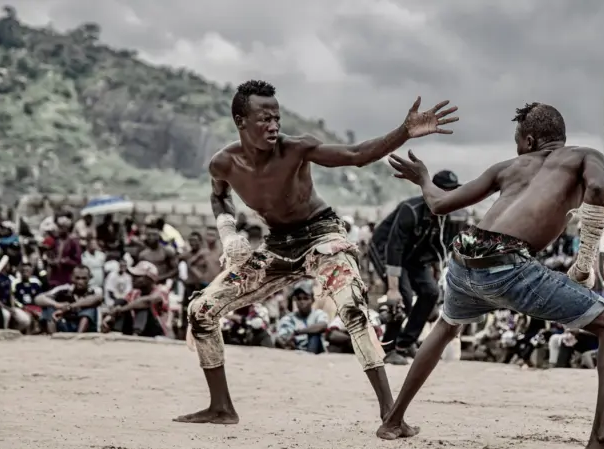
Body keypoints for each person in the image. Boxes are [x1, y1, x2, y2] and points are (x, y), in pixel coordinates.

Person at [178, 80, 458, 430]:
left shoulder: (296, 149)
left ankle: (391, 416)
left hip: (322, 236)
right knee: (201, 309)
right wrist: (227, 231)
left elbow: (356, 155)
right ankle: (221, 407)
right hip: (277, 246)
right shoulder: (223, 163)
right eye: (264, 119)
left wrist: (404, 131)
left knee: (353, 309)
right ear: (241, 121)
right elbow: (219, 195)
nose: (273, 126)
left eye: (277, 118)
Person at [378, 102, 604, 449]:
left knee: (446, 327)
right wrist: (584, 263)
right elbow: (597, 191)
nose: (517, 149)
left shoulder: (506, 168)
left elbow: (439, 204)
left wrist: (423, 178)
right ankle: (602, 439)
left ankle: (393, 420)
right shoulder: (587, 156)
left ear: (528, 140)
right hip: (508, 264)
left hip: (465, 257)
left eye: (517, 141)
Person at [369, 169, 462, 365]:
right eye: (446, 190)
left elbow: (438, 247)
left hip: (413, 256)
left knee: (430, 292)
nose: (450, 195)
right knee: (403, 297)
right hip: (386, 250)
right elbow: (394, 247)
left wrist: (435, 271)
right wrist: (393, 289)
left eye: (453, 191)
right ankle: (388, 348)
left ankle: (405, 343)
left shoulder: (446, 215)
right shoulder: (411, 209)